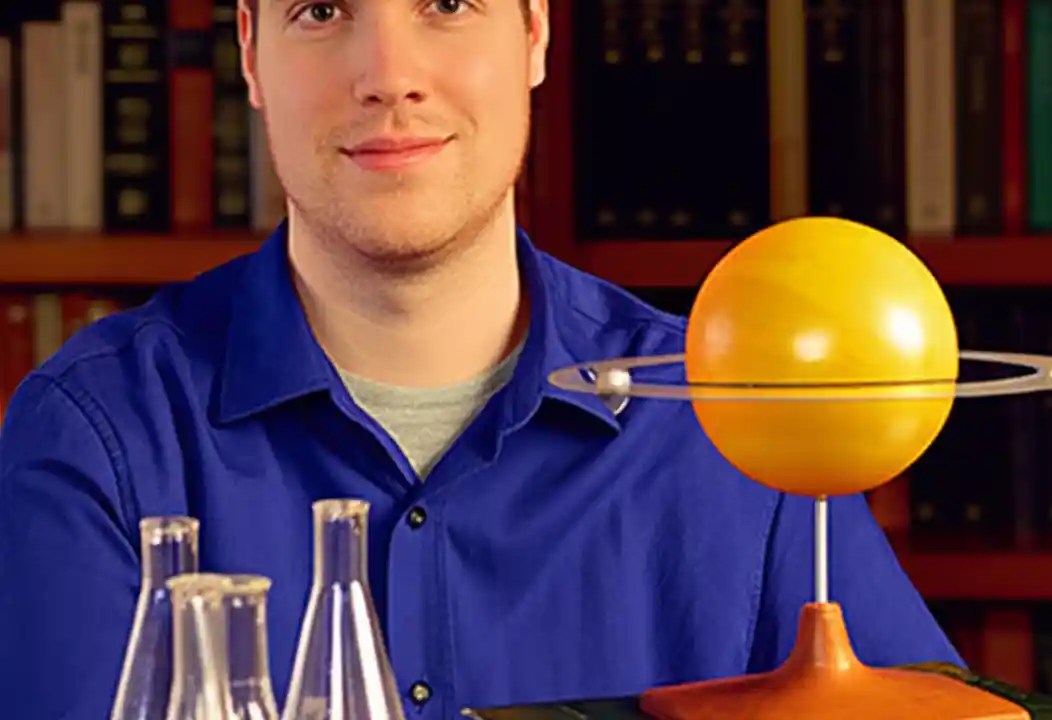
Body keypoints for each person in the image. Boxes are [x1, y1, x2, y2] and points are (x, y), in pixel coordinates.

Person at [0, 0, 962, 718]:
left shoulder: (734, 413)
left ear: (536, 32)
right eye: (323, 10)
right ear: (251, 52)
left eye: (449, 3)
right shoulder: (94, 438)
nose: (389, 74)